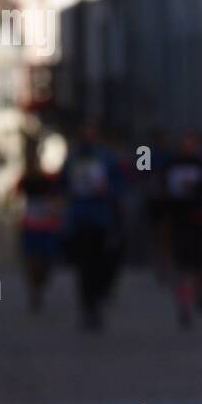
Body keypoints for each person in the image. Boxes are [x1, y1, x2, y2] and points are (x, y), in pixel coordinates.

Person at [62, 123, 125, 330]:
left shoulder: (105, 157)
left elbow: (118, 185)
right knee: (85, 265)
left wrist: (108, 192)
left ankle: (96, 299)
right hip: (81, 218)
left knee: (101, 263)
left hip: (101, 219)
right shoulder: (73, 158)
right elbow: (63, 185)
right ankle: (88, 306)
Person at [161, 132, 202, 327]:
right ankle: (184, 305)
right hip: (179, 220)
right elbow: (164, 190)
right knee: (183, 267)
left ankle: (201, 292)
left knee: (199, 263)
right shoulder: (172, 165)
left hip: (198, 219)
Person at [16, 155, 65, 312]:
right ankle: (34, 290)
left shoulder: (52, 180)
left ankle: (39, 284)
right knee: (32, 260)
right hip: (31, 227)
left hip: (47, 227)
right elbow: (15, 195)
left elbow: (60, 196)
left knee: (46, 261)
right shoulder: (25, 180)